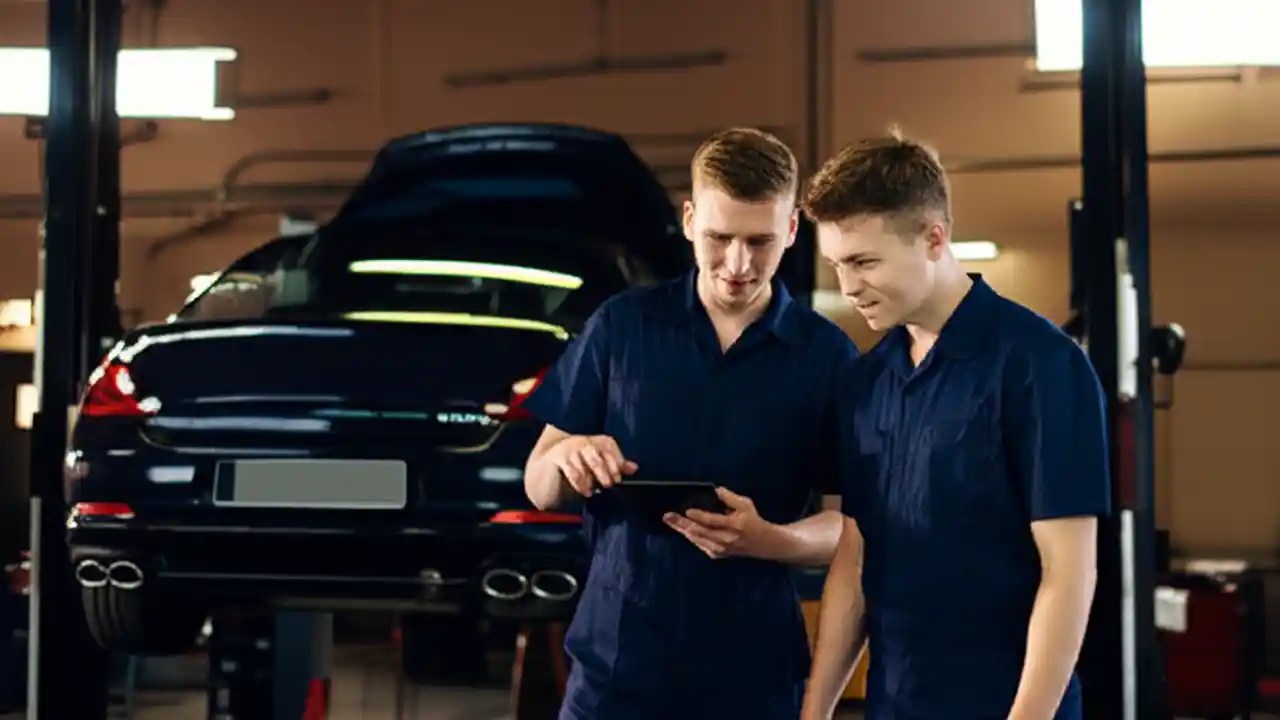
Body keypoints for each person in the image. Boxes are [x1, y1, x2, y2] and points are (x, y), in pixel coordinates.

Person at [521, 127, 858, 719]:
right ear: (689, 219)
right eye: (719, 238)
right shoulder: (621, 327)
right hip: (615, 670)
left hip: (752, 680)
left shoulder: (827, 357)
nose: (738, 264)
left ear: (792, 229)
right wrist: (567, 459)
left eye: (759, 241)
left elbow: (854, 528)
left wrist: (771, 540)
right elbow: (539, 484)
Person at [798, 132, 1111, 720]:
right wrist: (815, 711)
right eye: (838, 265)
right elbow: (855, 560)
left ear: (934, 238)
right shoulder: (865, 383)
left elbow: (1068, 573)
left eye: (864, 262)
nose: (847, 286)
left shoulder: (1040, 365)